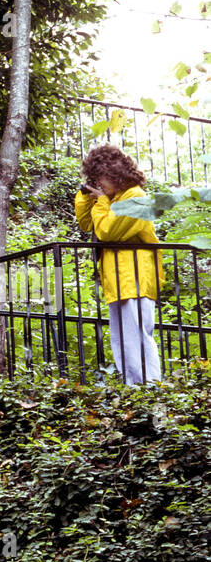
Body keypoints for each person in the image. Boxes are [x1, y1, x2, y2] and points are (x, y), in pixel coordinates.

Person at [74, 144, 165, 384]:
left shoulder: (135, 197)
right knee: (123, 339)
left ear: (115, 173)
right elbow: (86, 224)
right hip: (118, 279)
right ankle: (135, 391)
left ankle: (150, 389)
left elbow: (108, 232)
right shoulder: (113, 200)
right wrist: (87, 195)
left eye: (101, 177)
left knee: (137, 336)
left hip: (135, 275)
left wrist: (102, 202)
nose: (99, 183)